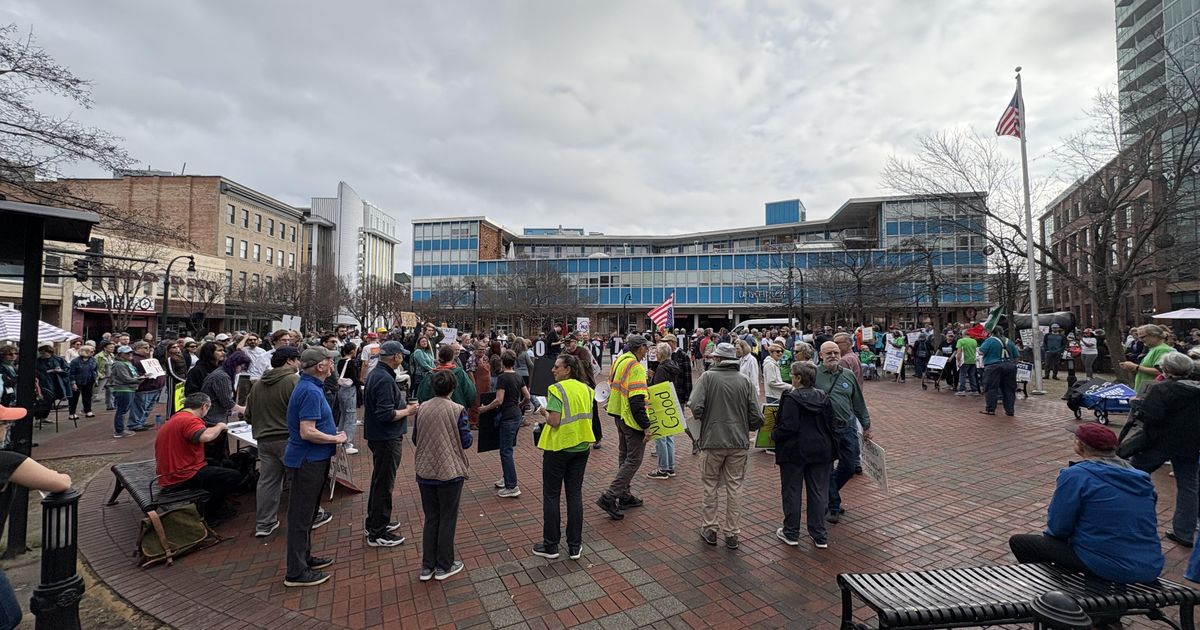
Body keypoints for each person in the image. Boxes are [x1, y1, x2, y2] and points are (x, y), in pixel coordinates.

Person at [1008, 423, 1163, 584]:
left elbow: (1058, 527)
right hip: (1149, 564)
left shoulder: (1076, 475)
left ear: (1080, 446)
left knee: (1021, 543)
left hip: (1106, 564)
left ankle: (1050, 590)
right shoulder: (1140, 477)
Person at [0, 404, 72, 630]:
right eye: (4, 424)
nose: (8, 429)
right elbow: (59, 482)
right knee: (8, 616)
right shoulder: (6, 461)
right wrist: (63, 475)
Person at [688, 342, 764, 550]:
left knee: (710, 485)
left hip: (712, 440)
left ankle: (710, 528)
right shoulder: (745, 381)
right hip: (738, 441)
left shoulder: (708, 378)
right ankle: (732, 533)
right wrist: (747, 426)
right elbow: (757, 416)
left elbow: (695, 405)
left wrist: (704, 418)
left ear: (718, 359)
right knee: (735, 486)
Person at [282, 346, 347, 588]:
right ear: (320, 366)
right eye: (330, 362)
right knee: (301, 515)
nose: (332, 366)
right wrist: (336, 438)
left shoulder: (311, 387)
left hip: (313, 459)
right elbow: (307, 431)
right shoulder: (310, 390)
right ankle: (296, 571)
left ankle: (304, 558)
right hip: (307, 460)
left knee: (307, 514)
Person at [1129, 351, 1200, 547]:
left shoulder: (1162, 390)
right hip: (1189, 444)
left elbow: (1152, 417)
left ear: (1166, 370)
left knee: (1132, 476)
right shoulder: (1196, 390)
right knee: (1189, 486)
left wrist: (1137, 406)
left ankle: (1136, 520)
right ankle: (1185, 532)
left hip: (1159, 443)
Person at [533, 353, 596, 560]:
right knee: (574, 494)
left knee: (552, 495)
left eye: (557, 367)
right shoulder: (587, 389)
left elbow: (554, 421)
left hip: (559, 448)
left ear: (567, 369)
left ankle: (551, 545)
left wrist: (543, 412)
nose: (553, 370)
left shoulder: (556, 389)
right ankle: (575, 545)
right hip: (581, 447)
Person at [412, 370, 472, 581]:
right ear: (453, 388)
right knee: (448, 517)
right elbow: (466, 441)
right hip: (450, 470)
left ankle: (427, 565)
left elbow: (415, 437)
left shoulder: (422, 409)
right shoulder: (457, 409)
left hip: (425, 469)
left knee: (431, 517)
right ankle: (445, 564)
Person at [773, 361, 838, 549]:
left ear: (799, 378)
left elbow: (788, 427)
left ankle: (791, 532)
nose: (791, 377)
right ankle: (819, 535)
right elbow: (832, 424)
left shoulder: (791, 398)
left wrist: (773, 435)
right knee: (818, 492)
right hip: (821, 450)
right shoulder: (823, 396)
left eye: (793, 375)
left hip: (795, 451)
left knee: (792, 491)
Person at [363, 341, 420, 547]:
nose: (402, 358)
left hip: (381, 436)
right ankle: (377, 531)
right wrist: (409, 411)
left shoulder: (378, 374)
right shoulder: (384, 378)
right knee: (384, 484)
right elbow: (385, 413)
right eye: (401, 355)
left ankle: (375, 523)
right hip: (386, 437)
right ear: (395, 356)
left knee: (380, 481)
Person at [155, 392, 241, 524]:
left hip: (171, 471)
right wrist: (220, 426)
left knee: (224, 464)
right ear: (204, 406)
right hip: (181, 475)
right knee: (232, 475)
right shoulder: (189, 420)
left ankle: (216, 502)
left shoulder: (177, 417)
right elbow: (205, 437)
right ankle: (211, 513)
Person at [243, 346, 301, 537]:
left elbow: (248, 415)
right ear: (289, 361)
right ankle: (311, 515)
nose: (299, 363)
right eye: (297, 359)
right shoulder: (294, 380)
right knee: (300, 479)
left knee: (268, 482)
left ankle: (264, 523)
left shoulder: (258, 384)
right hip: (288, 438)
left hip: (264, 440)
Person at [596, 334, 652, 520]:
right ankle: (610, 496)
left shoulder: (621, 360)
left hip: (619, 414)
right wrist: (646, 426)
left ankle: (624, 495)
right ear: (640, 348)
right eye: (646, 348)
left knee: (625, 455)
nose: (647, 352)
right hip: (631, 419)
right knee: (634, 460)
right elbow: (636, 401)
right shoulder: (635, 366)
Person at [815, 342, 872, 524]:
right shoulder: (814, 374)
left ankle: (829, 495)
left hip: (847, 428)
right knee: (827, 468)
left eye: (836, 352)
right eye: (829, 353)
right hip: (824, 429)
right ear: (821, 355)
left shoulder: (847, 375)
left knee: (849, 466)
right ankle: (833, 505)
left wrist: (867, 425)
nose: (833, 355)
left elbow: (858, 402)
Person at [479, 350, 529, 498]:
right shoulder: (518, 376)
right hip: (516, 415)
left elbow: (499, 400)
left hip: (507, 417)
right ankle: (506, 477)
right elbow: (527, 396)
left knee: (505, 451)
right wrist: (519, 405)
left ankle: (512, 485)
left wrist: (485, 408)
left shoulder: (502, 378)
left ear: (502, 362)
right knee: (507, 448)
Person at [646, 343, 682, 479]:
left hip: (661, 405)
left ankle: (663, 468)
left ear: (661, 354)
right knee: (669, 436)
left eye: (657, 352)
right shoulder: (672, 365)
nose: (655, 354)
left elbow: (656, 388)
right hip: (671, 402)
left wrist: (650, 379)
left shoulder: (662, 367)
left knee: (661, 437)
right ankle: (670, 467)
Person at [415, 344, 477, 409]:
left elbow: (421, 396)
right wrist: (466, 406)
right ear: (452, 357)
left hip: (434, 411)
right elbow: (471, 394)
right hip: (456, 411)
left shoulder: (430, 375)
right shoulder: (460, 374)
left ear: (439, 356)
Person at [978, 328, 1020, 417]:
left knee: (991, 388)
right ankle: (1010, 410)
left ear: (992, 332)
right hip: (1009, 366)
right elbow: (1016, 357)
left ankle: (990, 409)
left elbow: (981, 352)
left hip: (993, 366)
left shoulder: (990, 340)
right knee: (1009, 389)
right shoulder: (1009, 341)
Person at [1121, 324, 1172, 394]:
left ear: (1154, 335)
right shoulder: (1154, 349)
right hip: (1145, 390)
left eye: (1142, 337)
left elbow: (1160, 372)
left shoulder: (1162, 350)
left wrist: (1135, 367)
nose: (1141, 340)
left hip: (1151, 392)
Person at [335, 342, 363, 455]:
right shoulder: (351, 362)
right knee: (350, 416)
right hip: (350, 389)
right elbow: (353, 377)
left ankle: (340, 439)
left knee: (343, 414)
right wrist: (359, 385)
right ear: (352, 351)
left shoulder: (340, 361)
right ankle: (347, 443)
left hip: (341, 389)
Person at [110, 345, 140, 438]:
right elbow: (126, 378)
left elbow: (133, 375)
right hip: (123, 389)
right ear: (120, 354)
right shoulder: (119, 364)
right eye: (126, 353)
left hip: (129, 388)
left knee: (124, 410)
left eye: (130, 352)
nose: (129, 354)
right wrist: (140, 379)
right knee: (122, 410)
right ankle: (119, 431)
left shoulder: (127, 363)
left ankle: (120, 429)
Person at [66, 344, 98, 420]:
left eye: (93, 351)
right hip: (77, 381)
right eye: (91, 351)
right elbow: (71, 373)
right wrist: (73, 383)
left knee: (87, 396)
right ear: (85, 351)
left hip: (89, 381)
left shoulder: (93, 360)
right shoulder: (75, 361)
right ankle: (72, 413)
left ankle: (88, 411)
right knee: (74, 398)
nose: (93, 352)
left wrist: (95, 379)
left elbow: (95, 370)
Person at [95, 340, 115, 411]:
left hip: (110, 376)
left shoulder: (112, 355)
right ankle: (87, 408)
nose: (112, 349)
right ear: (105, 348)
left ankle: (110, 405)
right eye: (110, 347)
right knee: (96, 393)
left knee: (110, 391)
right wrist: (99, 375)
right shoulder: (98, 356)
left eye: (113, 347)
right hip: (102, 376)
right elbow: (95, 367)